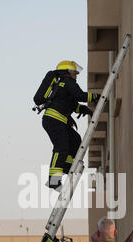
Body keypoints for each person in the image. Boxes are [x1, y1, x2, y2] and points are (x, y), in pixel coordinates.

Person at [42, 60, 99, 190]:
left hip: (58, 121)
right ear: (67, 73)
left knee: (75, 140)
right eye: (74, 73)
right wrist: (95, 96)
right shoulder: (67, 82)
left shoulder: (61, 86)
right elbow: (80, 95)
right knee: (61, 147)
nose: (76, 75)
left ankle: (67, 166)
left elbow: (72, 104)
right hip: (54, 120)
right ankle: (53, 180)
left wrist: (84, 109)